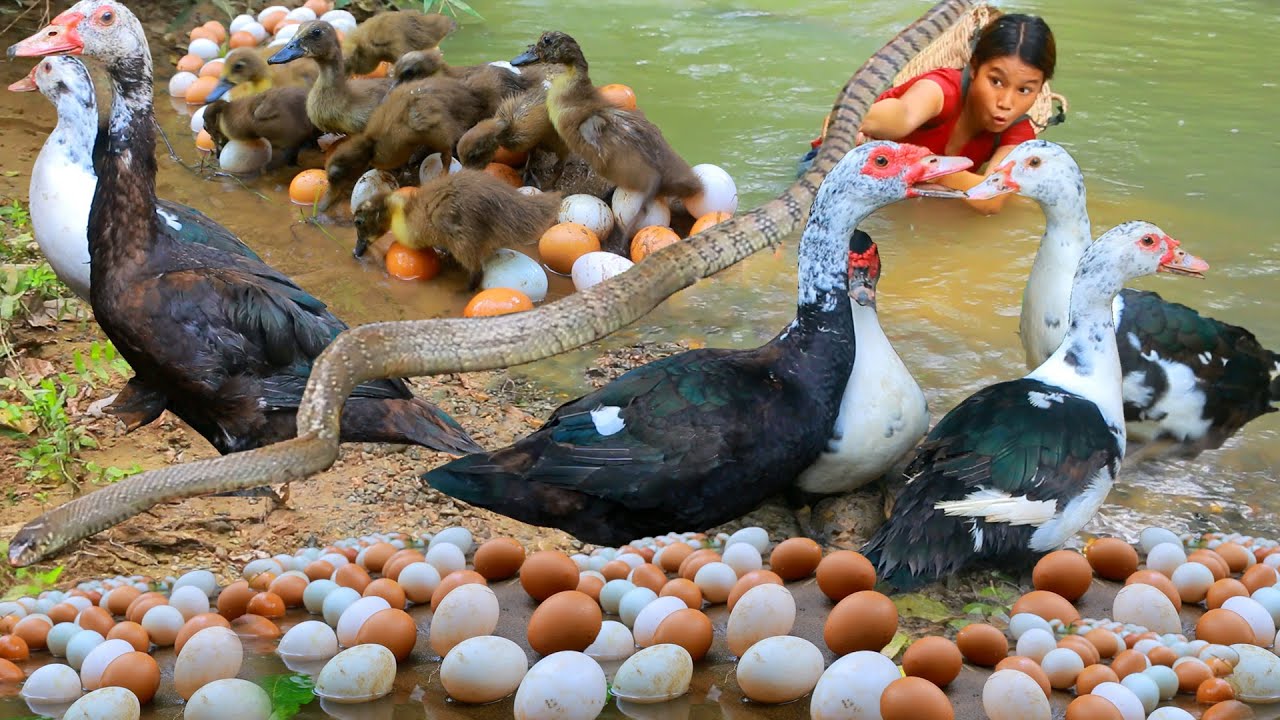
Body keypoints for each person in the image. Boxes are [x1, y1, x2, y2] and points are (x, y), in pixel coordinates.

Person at [801, 13, 1056, 215]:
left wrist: (926, 169)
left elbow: (990, 200)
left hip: (898, 191)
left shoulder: (1019, 132)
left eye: (1024, 89)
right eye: (997, 82)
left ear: (1040, 88)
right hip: (832, 167)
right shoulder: (941, 89)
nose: (1006, 102)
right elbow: (903, 115)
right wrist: (856, 119)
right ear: (975, 67)